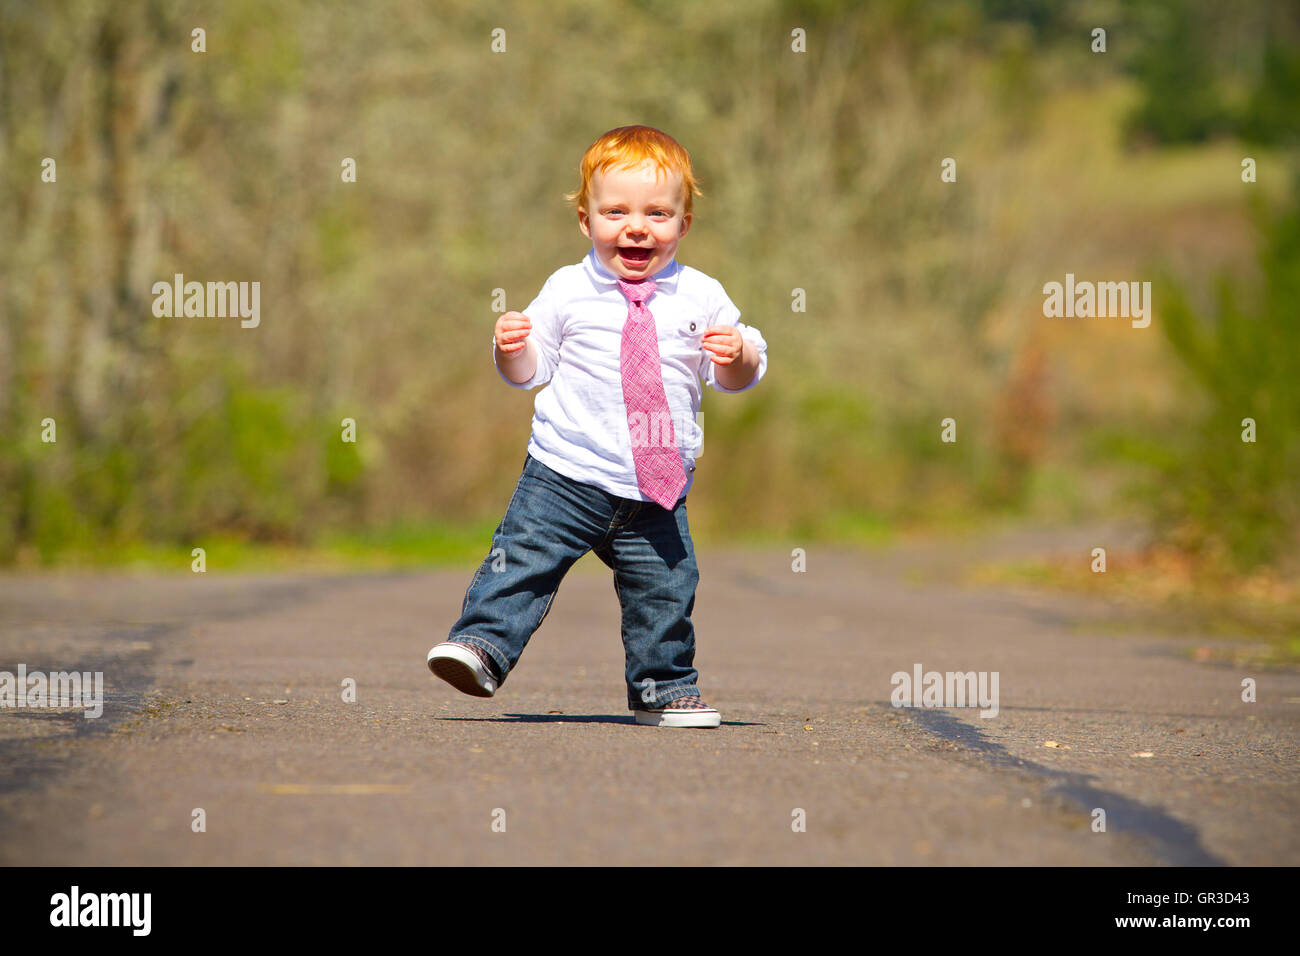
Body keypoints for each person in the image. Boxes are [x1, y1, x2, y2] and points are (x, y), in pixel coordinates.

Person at [427, 125, 768, 728]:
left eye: (658, 213)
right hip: (566, 469)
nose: (637, 227)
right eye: (616, 211)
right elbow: (532, 371)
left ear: (683, 225)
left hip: (655, 486)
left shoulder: (702, 295)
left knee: (665, 590)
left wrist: (737, 354)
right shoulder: (566, 290)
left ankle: (663, 688)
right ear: (586, 221)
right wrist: (511, 350)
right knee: (524, 558)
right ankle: (479, 647)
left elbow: (736, 379)